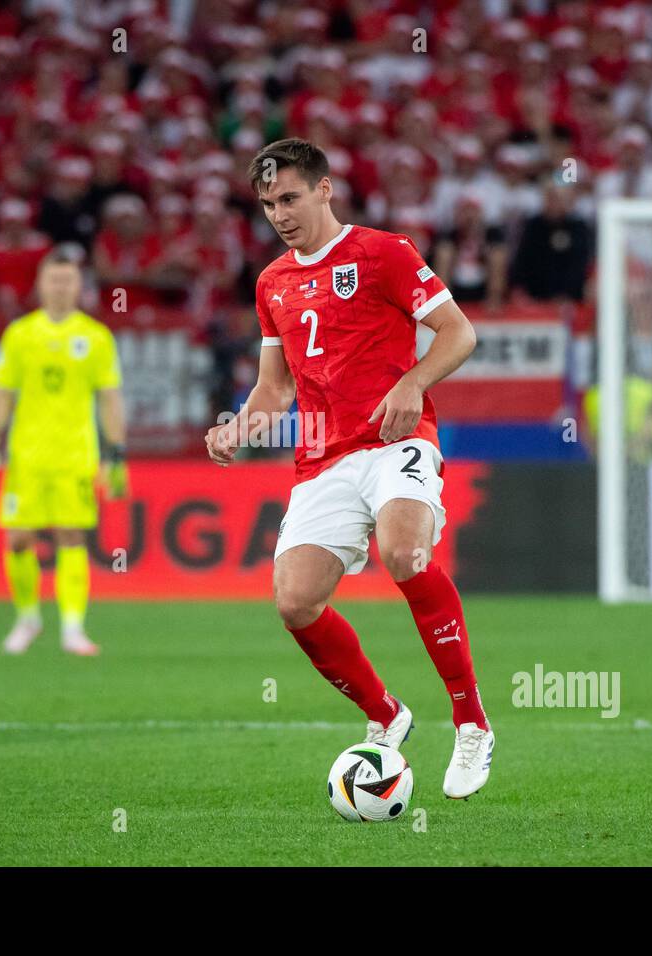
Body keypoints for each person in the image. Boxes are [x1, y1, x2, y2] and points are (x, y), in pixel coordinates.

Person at [205, 138, 492, 800]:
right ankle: (386, 714)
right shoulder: (271, 282)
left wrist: (413, 384)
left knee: (405, 553)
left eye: (290, 198)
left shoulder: (382, 252)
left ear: (325, 190)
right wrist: (239, 428)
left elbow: (459, 332)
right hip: (322, 458)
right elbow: (274, 389)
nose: (279, 214)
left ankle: (472, 723)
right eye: (268, 203)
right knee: (295, 601)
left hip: (396, 439)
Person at [0, 250, 128, 657]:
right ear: (40, 285)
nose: (60, 287)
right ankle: (27, 618)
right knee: (19, 539)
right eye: (53, 280)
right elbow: (1, 394)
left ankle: (72, 628)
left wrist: (116, 454)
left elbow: (109, 400)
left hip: (76, 454)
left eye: (68, 280)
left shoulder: (96, 337)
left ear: (79, 285)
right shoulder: (20, 335)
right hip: (26, 455)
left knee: (71, 535)